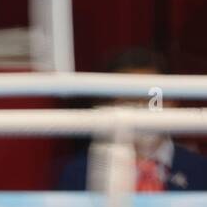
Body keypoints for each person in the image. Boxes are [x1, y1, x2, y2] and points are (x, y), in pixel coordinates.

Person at [58, 47, 207, 191]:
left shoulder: (201, 169)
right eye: (129, 101)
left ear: (172, 101)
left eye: (152, 100)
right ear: (107, 105)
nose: (142, 110)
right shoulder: (80, 172)